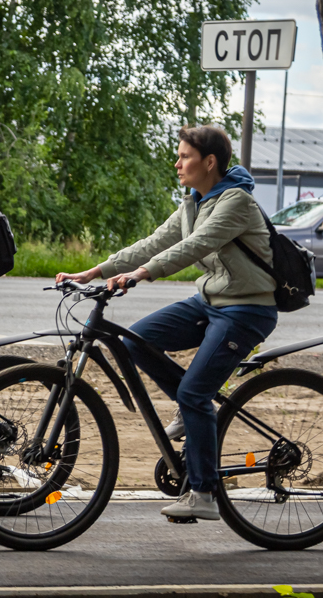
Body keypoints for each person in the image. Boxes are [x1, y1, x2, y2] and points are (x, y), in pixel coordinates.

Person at [56, 125, 278, 521]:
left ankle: (205, 493)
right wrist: (96, 271)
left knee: (195, 393)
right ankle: (190, 404)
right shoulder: (194, 202)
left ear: (209, 162)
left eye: (185, 157)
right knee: (133, 340)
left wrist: (141, 275)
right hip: (209, 301)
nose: (177, 164)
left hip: (247, 310)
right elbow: (155, 241)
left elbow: (194, 246)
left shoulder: (236, 203)